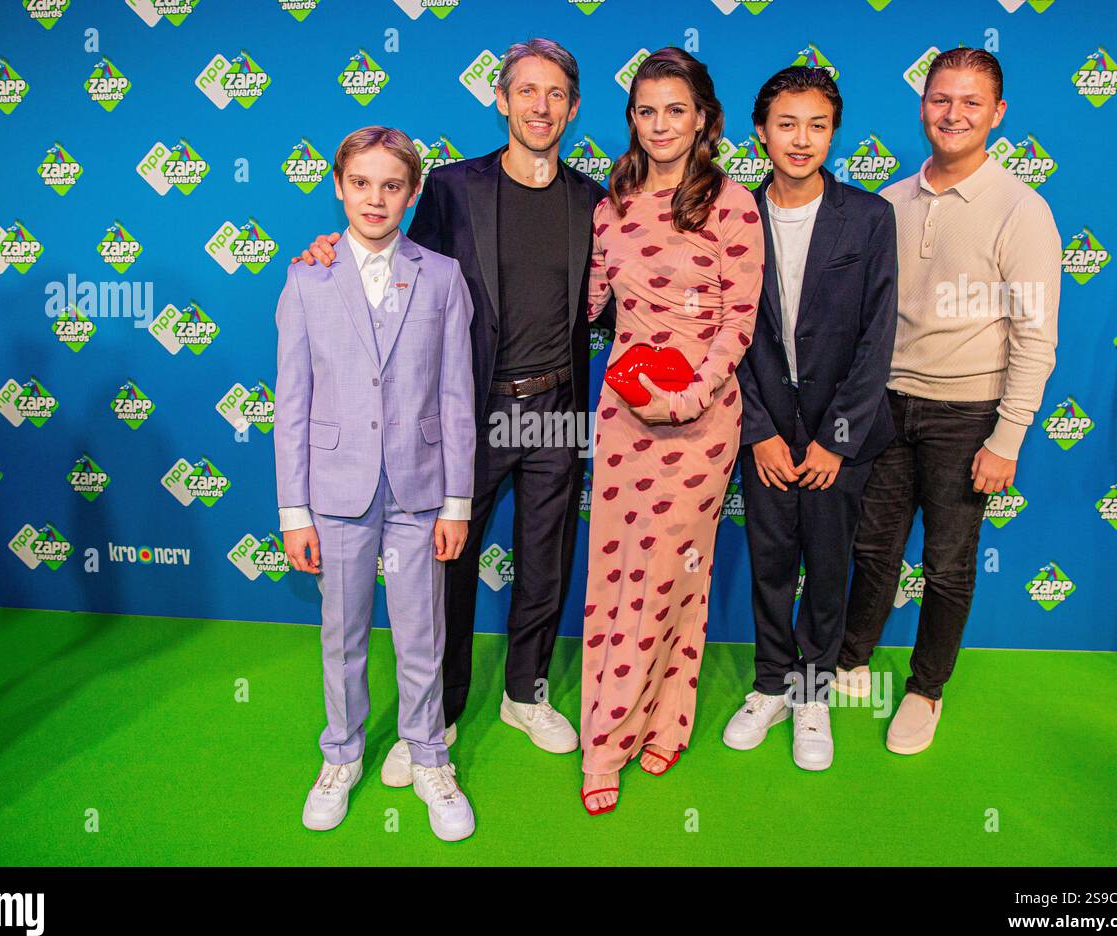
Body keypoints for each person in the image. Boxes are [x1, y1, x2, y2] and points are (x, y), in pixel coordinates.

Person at [296, 40, 616, 786]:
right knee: (447, 565)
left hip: (556, 408)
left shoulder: (589, 198)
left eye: (556, 94)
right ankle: (435, 713)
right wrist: (329, 253)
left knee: (546, 562)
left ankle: (524, 693)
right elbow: (397, 263)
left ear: (572, 107)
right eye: (526, 92)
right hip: (468, 408)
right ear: (501, 101)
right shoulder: (450, 188)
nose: (541, 106)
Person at [835, 48, 1060, 754]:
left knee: (949, 563)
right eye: (940, 99)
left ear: (997, 114)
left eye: (970, 102)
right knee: (872, 548)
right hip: (886, 406)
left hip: (968, 417)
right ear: (922, 103)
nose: (952, 114)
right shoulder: (892, 202)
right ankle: (850, 660)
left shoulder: (1022, 209)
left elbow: (1036, 334)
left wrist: (1009, 437)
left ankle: (926, 690)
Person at [275, 126, 478, 841]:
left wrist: (457, 501)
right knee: (343, 632)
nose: (375, 198)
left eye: (392, 185)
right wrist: (294, 512)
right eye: (361, 183)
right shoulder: (306, 278)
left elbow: (457, 397)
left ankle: (429, 755)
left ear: (414, 193)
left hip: (421, 491)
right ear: (338, 185)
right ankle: (343, 754)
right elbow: (291, 403)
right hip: (336, 491)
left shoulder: (443, 276)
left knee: (423, 632)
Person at [579, 48, 764, 814]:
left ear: (703, 119)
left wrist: (686, 399)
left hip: (699, 421)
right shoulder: (610, 202)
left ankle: (620, 737)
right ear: (632, 119)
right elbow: (585, 300)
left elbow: (739, 322)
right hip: (623, 417)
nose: (660, 125)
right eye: (646, 110)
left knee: (673, 571)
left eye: (675, 110)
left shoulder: (732, 204)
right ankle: (646, 721)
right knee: (614, 571)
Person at [724, 67, 898, 771]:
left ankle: (811, 692)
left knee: (827, 567)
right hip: (764, 425)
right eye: (787, 124)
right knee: (770, 561)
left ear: (834, 131)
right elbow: (725, 334)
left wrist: (838, 439)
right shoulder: (731, 214)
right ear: (761, 131)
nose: (802, 139)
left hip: (839, 433)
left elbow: (877, 335)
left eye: (817, 125)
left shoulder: (869, 216)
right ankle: (770, 683)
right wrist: (758, 429)